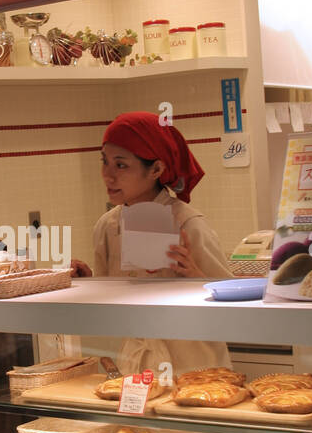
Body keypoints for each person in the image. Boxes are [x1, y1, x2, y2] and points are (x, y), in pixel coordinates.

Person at [71, 112, 233, 377]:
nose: (108, 176)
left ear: (156, 169)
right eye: (105, 162)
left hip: (196, 368)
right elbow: (115, 308)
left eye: (121, 165)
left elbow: (235, 313)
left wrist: (195, 277)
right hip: (137, 368)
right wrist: (90, 283)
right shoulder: (108, 227)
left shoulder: (188, 224)